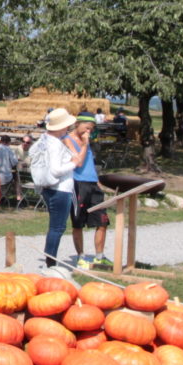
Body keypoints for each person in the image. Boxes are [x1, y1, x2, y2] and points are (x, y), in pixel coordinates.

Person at [28, 108, 80, 268]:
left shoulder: (43, 140)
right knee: (57, 227)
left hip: (49, 187)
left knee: (55, 226)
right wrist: (73, 164)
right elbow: (56, 170)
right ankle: (50, 262)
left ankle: (50, 259)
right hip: (60, 189)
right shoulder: (55, 144)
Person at [67, 115, 112, 271]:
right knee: (78, 222)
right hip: (77, 184)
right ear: (77, 124)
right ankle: (81, 256)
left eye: (91, 129)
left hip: (93, 184)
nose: (89, 132)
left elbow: (89, 164)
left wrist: (98, 182)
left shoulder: (87, 141)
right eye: (87, 128)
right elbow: (78, 163)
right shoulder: (67, 139)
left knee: (102, 221)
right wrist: (85, 143)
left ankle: (100, 255)